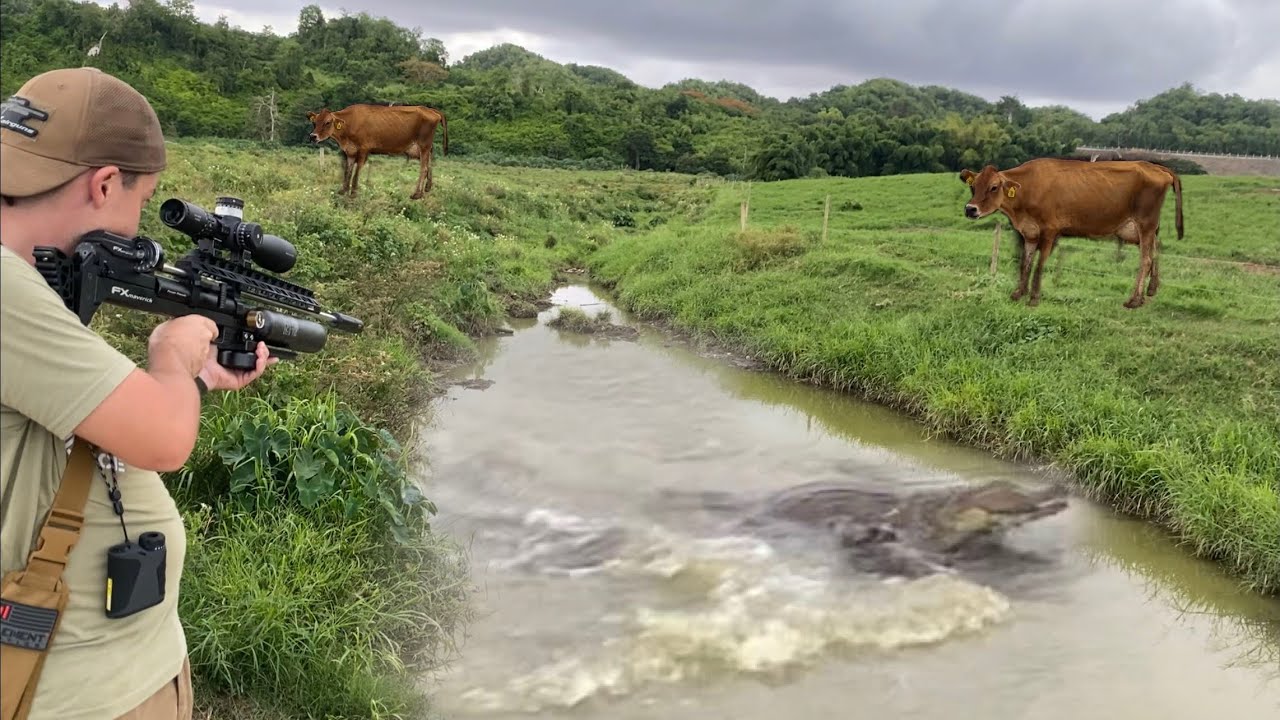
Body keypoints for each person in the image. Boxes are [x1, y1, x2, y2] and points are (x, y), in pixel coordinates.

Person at [0, 67, 275, 720]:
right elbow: (163, 439)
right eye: (138, 202)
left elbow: (64, 402)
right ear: (102, 184)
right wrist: (170, 356)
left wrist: (196, 378)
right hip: (75, 691)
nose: (135, 229)